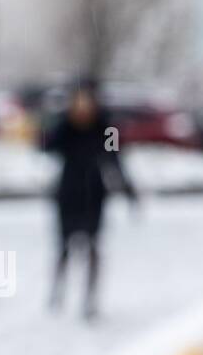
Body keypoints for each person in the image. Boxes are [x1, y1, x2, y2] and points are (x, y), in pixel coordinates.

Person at [41, 79, 137, 320]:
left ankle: (90, 299)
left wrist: (128, 189)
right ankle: (57, 291)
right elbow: (46, 145)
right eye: (79, 101)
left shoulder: (106, 127)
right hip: (67, 191)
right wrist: (57, 122)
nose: (84, 107)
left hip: (94, 194)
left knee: (94, 246)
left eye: (88, 101)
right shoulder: (65, 126)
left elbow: (115, 158)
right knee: (63, 246)